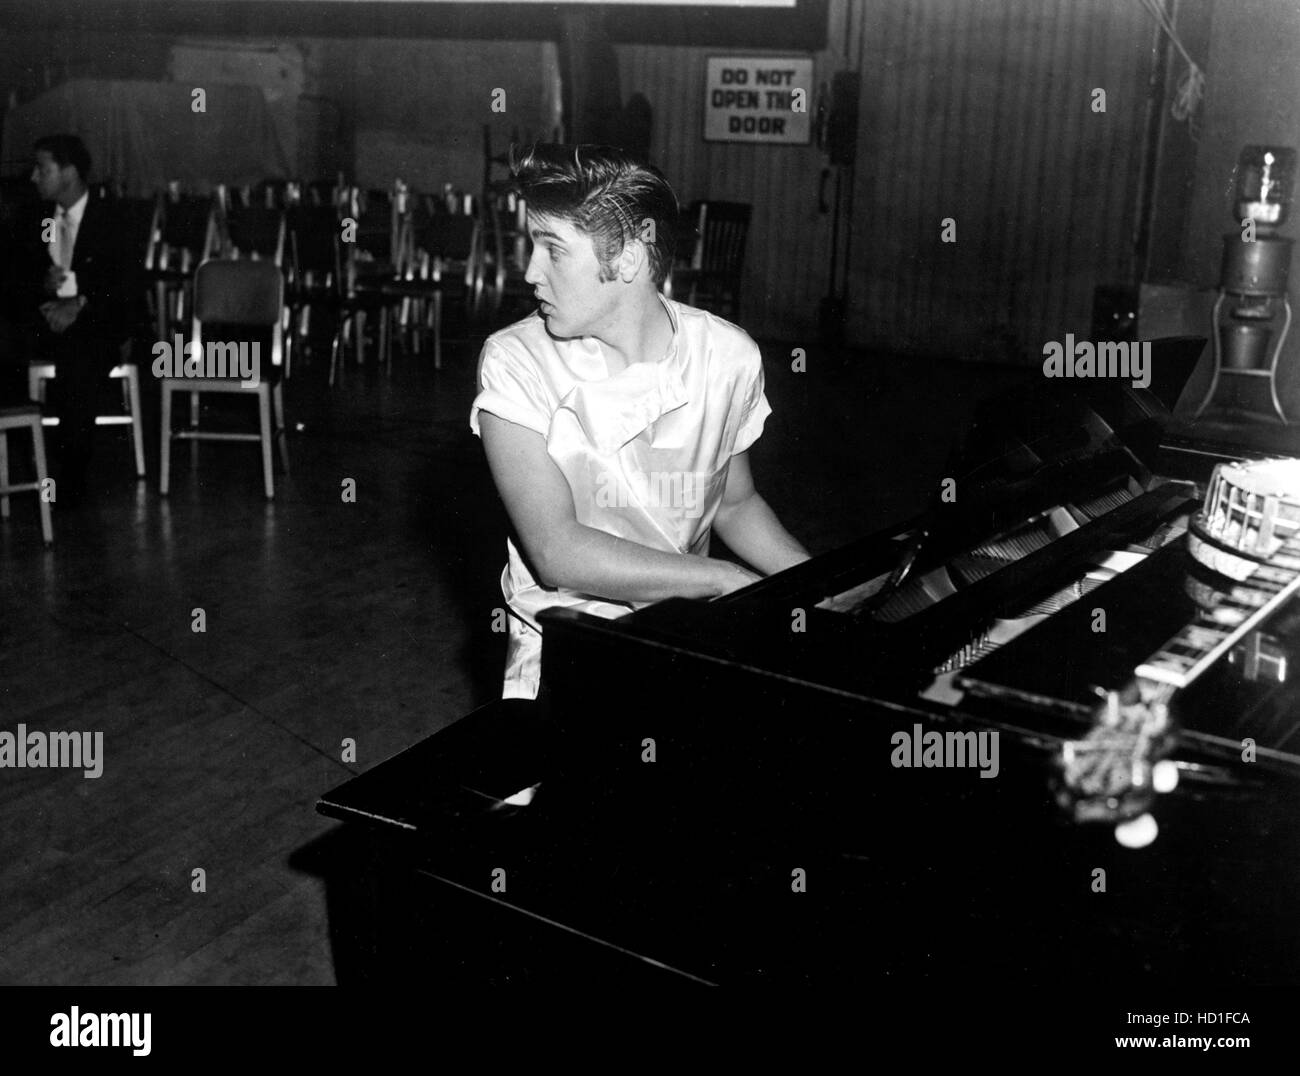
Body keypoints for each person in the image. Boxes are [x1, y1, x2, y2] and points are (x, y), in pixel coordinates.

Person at [470, 143, 810, 702]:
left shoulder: (727, 357)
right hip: (563, 662)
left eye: (553, 250)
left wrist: (819, 585)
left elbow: (735, 504)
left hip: (683, 642)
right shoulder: (515, 361)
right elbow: (557, 550)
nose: (529, 272)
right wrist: (722, 581)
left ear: (627, 259)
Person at [6, 134, 138, 503]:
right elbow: (18, 272)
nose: (34, 177)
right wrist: (43, 284)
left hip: (99, 321)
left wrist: (80, 303)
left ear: (70, 173)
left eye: (43, 169)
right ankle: (25, 455)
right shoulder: (39, 217)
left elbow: (126, 287)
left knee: (78, 355)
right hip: (48, 318)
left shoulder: (112, 217)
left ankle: (70, 475)